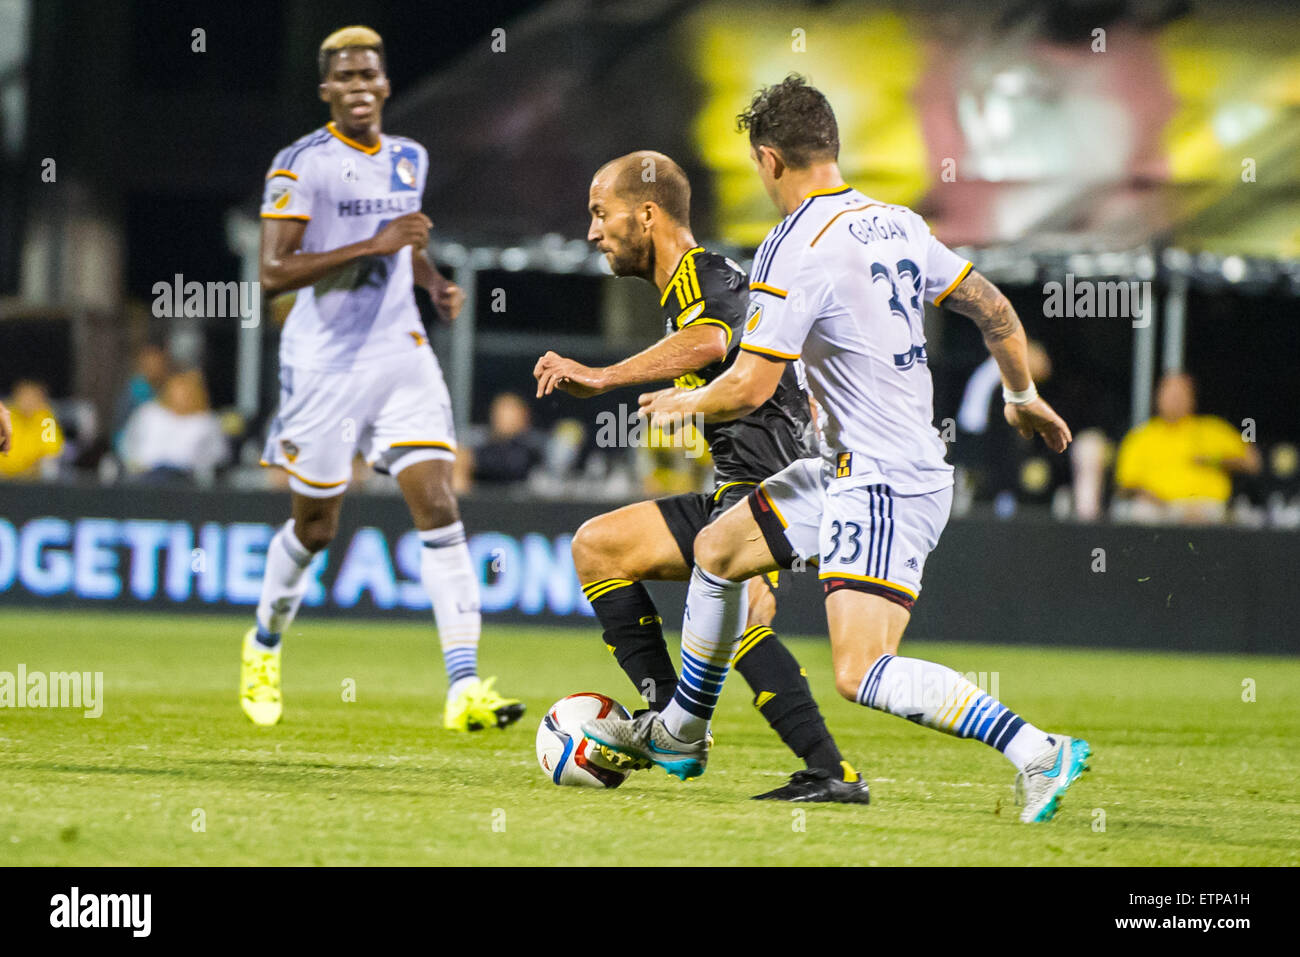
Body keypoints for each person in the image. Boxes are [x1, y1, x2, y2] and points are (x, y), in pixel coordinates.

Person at [585, 76, 1089, 824]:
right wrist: (1021, 396)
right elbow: (995, 309)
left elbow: (750, 386)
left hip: (885, 481)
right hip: (845, 467)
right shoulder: (897, 222)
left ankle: (1037, 749)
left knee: (862, 672)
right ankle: (680, 732)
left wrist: (684, 400)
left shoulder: (792, 246)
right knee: (718, 551)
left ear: (768, 160)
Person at [533, 151, 868, 803]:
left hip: (775, 479)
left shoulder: (702, 273)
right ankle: (670, 725)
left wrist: (602, 376)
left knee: (744, 613)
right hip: (738, 482)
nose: (593, 231)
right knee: (598, 546)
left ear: (647, 214)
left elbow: (713, 340)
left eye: (602, 214)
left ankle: (832, 772)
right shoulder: (689, 288)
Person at [245, 25, 522, 732]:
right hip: (324, 362)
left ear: (386, 85)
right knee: (316, 526)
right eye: (346, 77)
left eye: (370, 75)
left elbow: (402, 241)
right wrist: (377, 245)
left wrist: (430, 279)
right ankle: (264, 642)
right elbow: (273, 272)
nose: (360, 87)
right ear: (326, 91)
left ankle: (464, 686)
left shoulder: (409, 157)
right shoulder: (300, 164)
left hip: (400, 349)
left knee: (439, 504)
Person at [1114, 370, 1260, 523]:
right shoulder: (1140, 437)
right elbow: (1126, 486)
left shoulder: (1212, 429)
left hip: (1208, 509)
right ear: (1157, 397)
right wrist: (1161, 503)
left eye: (1181, 395)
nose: (1175, 400)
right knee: (1141, 511)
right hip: (1160, 510)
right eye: (1170, 395)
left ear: (1193, 398)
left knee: (1242, 513)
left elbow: (1253, 463)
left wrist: (1215, 460)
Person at [121, 369, 228, 483]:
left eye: (186, 391)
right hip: (144, 477)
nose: (181, 396)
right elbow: (129, 443)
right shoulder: (149, 412)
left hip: (187, 480)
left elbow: (218, 455)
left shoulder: (206, 421)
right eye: (177, 390)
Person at [0, 381, 64, 480]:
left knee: (49, 467)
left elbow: (52, 452)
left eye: (32, 397)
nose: (27, 402)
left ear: (41, 400)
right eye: (23, 396)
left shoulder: (47, 419)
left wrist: (30, 472)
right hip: (3, 473)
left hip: (33, 478)